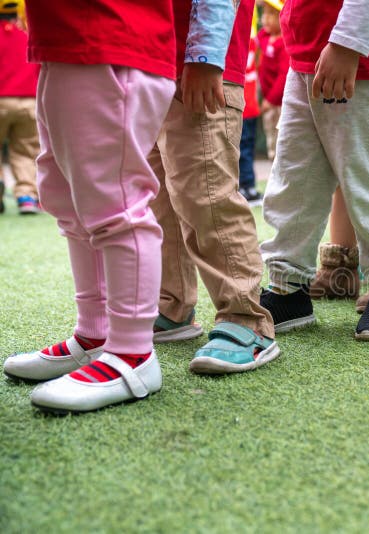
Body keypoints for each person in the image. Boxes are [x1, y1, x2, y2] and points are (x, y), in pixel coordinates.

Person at [3, 0, 178, 412]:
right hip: (67, 42)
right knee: (67, 199)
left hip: (109, 37)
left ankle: (133, 354)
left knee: (116, 207)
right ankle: (96, 335)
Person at [259, 0, 369, 342]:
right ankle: (288, 288)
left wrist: (347, 42)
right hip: (306, 50)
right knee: (295, 177)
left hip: (360, 55)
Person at [148, 0, 280, 375]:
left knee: (206, 196)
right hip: (152, 64)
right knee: (160, 198)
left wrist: (205, 56)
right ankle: (171, 305)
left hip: (201, 65)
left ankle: (246, 320)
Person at [0, 0, 40, 214]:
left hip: (0, 100)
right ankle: (27, 195)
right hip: (28, 101)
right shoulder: (27, 34)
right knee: (25, 151)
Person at [257, 0, 288, 161]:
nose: (265, 19)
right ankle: (272, 158)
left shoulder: (283, 44)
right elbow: (260, 37)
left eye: (271, 14)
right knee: (270, 133)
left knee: (280, 135)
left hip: (279, 102)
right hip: (268, 98)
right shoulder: (265, 38)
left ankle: (279, 160)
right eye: (265, 14)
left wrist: (270, 100)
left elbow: (283, 76)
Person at [239, 20, 263, 204]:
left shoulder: (247, 40)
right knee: (245, 149)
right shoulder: (254, 40)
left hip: (245, 107)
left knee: (244, 149)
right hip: (248, 106)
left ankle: (247, 186)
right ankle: (246, 186)